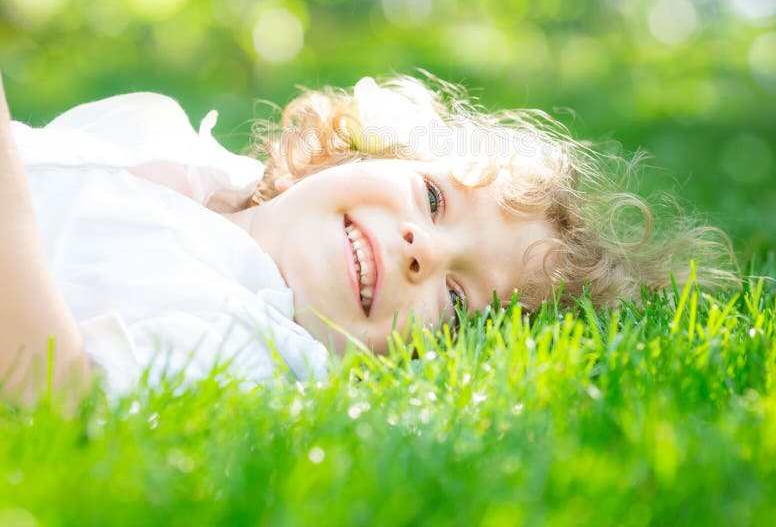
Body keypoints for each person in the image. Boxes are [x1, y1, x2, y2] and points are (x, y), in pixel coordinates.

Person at [0, 72, 736, 402]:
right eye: (434, 197)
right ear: (353, 155)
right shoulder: (194, 161)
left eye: (457, 295)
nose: (424, 248)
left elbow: (57, 396)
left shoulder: (262, 345)